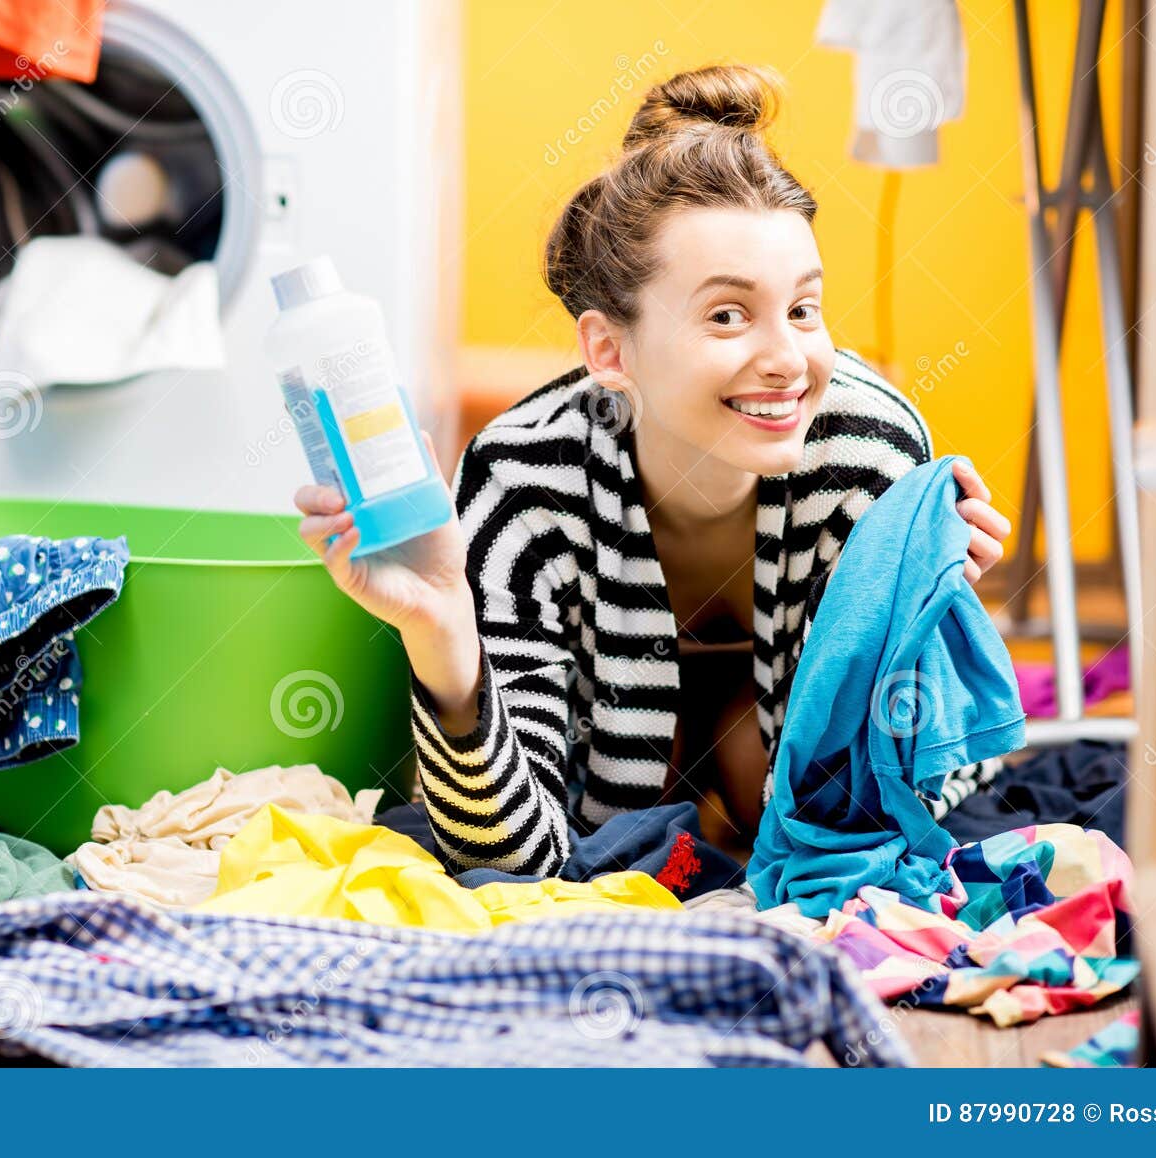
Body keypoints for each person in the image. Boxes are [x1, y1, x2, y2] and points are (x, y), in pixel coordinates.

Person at [293, 63, 1011, 874]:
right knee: (631, 817)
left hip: (770, 704)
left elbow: (868, 822)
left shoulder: (865, 453)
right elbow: (512, 858)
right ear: (608, 349)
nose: (788, 360)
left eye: (804, 308)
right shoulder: (523, 478)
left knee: (760, 784)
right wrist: (444, 634)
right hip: (609, 710)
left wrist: (917, 628)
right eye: (728, 315)